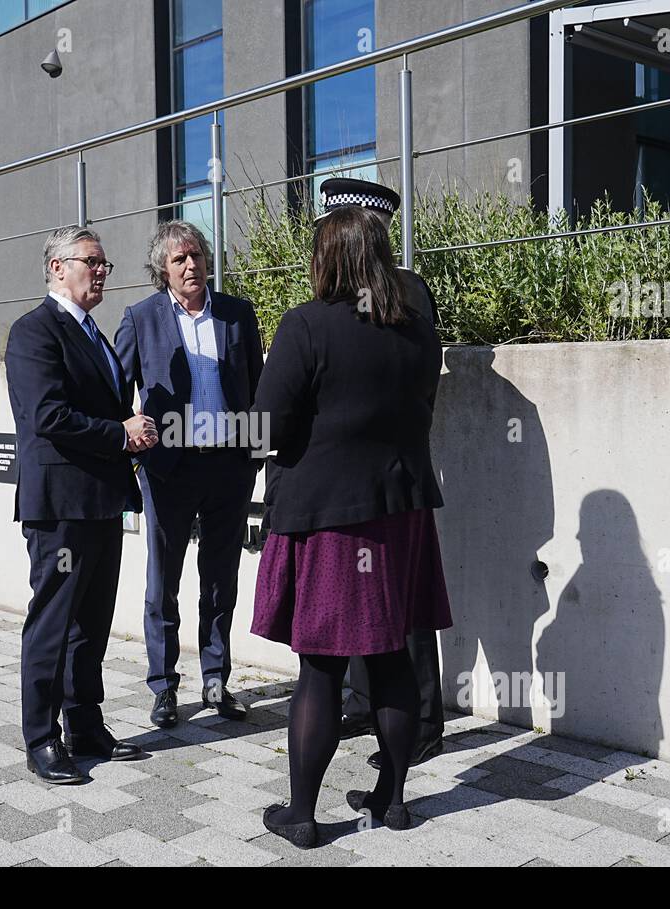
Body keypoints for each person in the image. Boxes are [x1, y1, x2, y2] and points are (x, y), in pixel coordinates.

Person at [251, 205, 453, 847]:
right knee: (391, 653)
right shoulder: (417, 329)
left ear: (327, 258)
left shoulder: (306, 325)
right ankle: (392, 804)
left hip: (333, 518)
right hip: (401, 512)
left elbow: (268, 428)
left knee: (320, 667)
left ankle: (303, 817)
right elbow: (423, 407)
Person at [5, 225, 157, 784]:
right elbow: (46, 416)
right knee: (52, 622)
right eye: (91, 261)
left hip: (101, 502)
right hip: (61, 505)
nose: (100, 272)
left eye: (103, 264)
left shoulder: (92, 332)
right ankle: (41, 739)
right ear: (57, 268)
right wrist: (121, 433)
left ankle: (85, 726)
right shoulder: (34, 332)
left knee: (90, 624)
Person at [316, 176, 449, 771]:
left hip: (395, 475)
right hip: (366, 477)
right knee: (368, 600)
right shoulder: (353, 292)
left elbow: (411, 385)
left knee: (409, 610)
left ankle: (422, 723)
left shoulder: (408, 291)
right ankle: (367, 704)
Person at [114, 221, 265, 729]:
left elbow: (258, 388)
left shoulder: (238, 314)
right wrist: (132, 446)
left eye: (197, 255)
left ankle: (216, 678)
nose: (191, 265)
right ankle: (164, 687)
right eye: (179, 259)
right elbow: (115, 392)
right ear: (163, 269)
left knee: (220, 578)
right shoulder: (140, 319)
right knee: (164, 582)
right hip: (168, 471)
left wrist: (256, 455)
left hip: (228, 466)